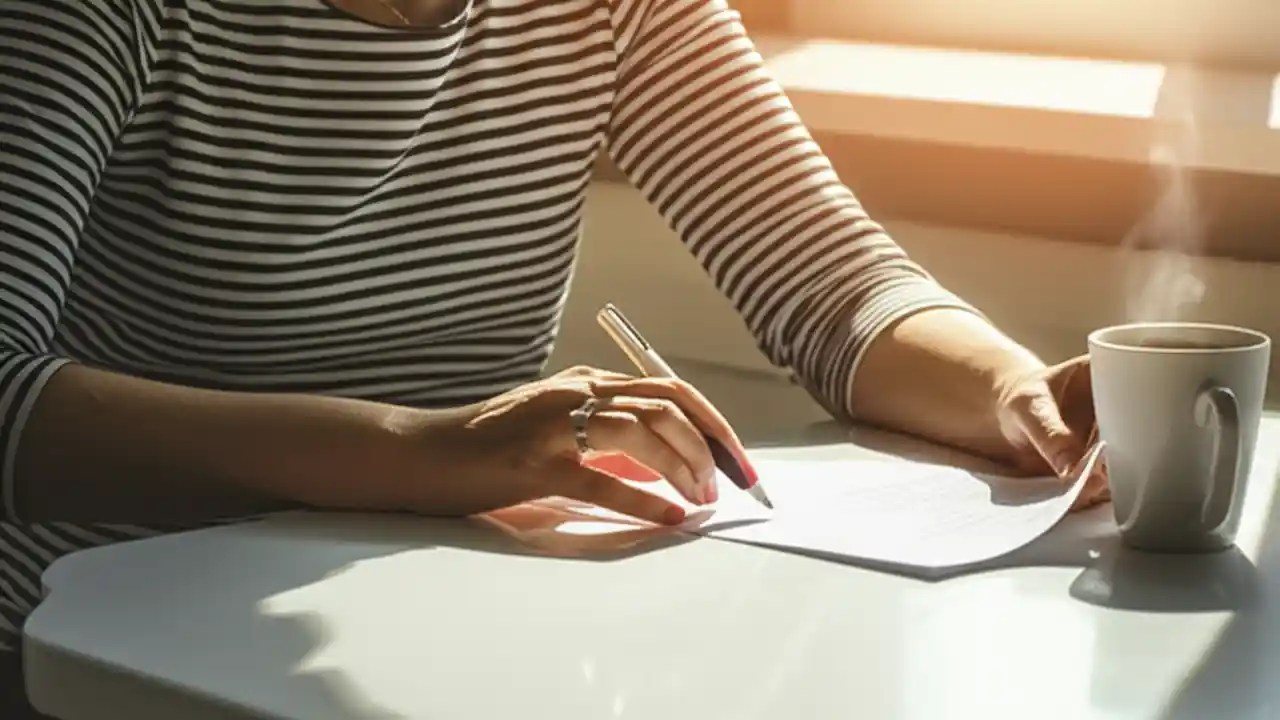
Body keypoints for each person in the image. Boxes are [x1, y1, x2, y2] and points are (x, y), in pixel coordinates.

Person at [0, 0, 1106, 714]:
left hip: (446, 637)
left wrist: (1015, 393)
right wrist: (424, 453)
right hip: (105, 649)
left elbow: (832, 290)